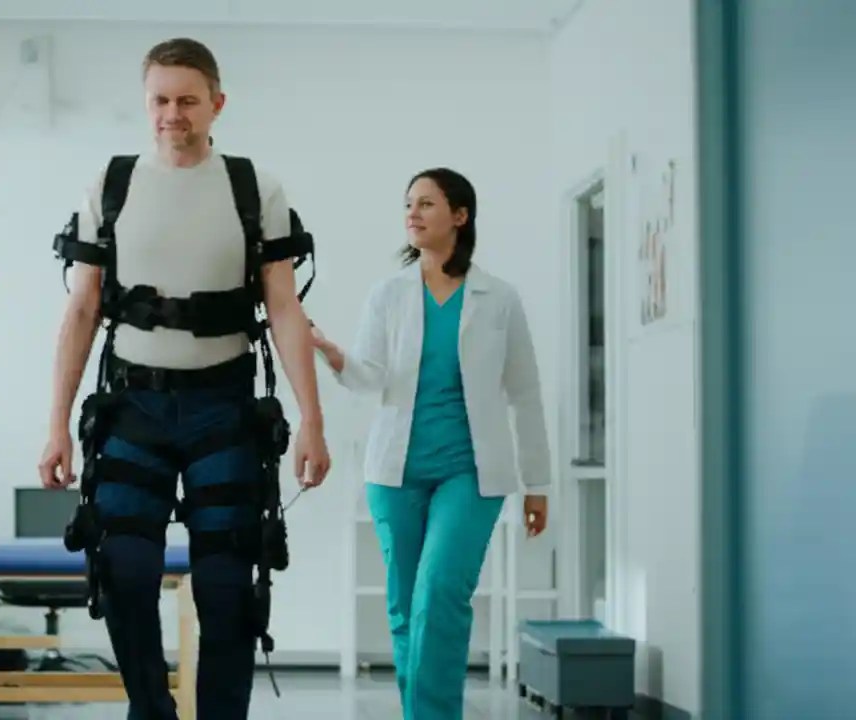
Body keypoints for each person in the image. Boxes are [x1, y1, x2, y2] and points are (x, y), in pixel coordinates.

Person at [37, 37, 331, 720]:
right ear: (147, 104)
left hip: (223, 409)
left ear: (217, 104)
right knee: (125, 573)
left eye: (188, 100)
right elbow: (81, 308)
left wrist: (312, 421)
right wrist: (56, 423)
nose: (173, 113)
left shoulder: (254, 188)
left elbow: (284, 309)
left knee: (227, 586)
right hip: (133, 406)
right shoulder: (111, 186)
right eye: (161, 100)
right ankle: (151, 710)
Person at [311, 168, 551, 719]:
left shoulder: (499, 298)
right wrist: (329, 350)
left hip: (471, 472)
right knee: (403, 607)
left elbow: (526, 393)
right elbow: (370, 377)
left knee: (441, 594)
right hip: (396, 474)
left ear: (460, 216)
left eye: (426, 204)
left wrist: (537, 484)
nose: (413, 214)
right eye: (409, 205)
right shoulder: (389, 294)